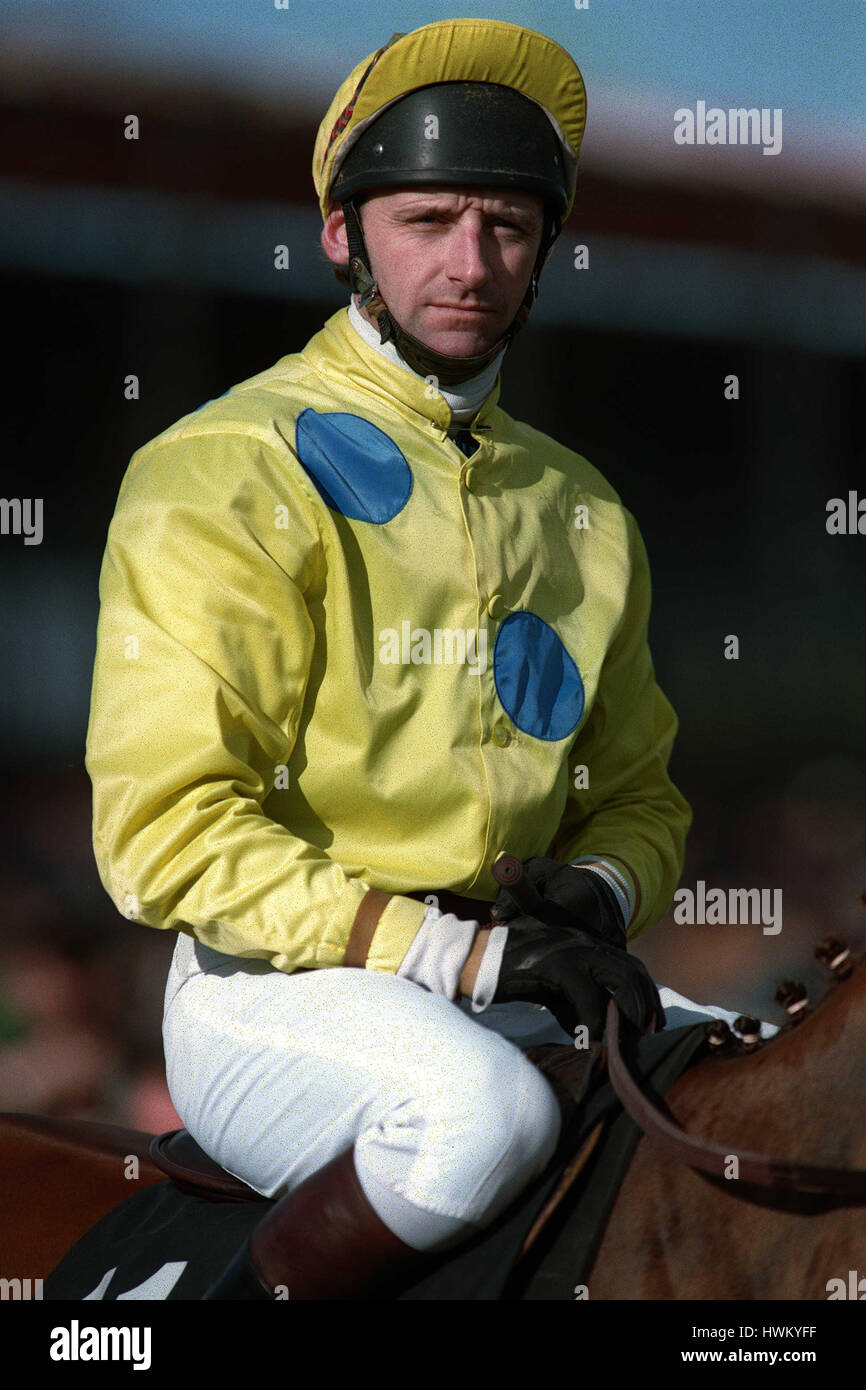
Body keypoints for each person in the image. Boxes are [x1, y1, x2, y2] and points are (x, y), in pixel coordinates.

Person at [85, 18, 691, 1299]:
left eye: (507, 227)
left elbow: (640, 795)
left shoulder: (586, 509)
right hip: (275, 994)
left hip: (510, 981)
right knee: (483, 1118)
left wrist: (593, 890)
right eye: (426, 220)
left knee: (749, 1083)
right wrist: (462, 957)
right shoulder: (221, 470)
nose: (469, 263)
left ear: (544, 252)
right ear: (342, 234)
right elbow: (168, 834)